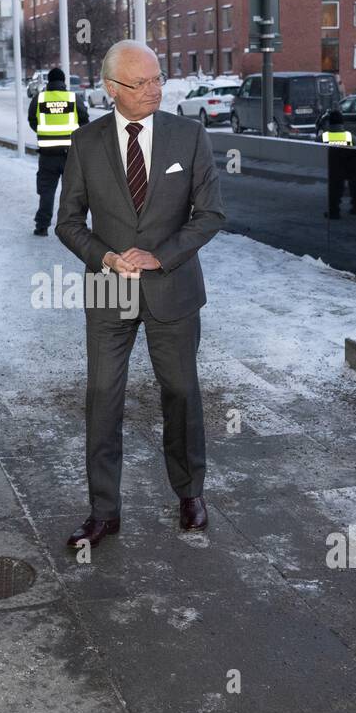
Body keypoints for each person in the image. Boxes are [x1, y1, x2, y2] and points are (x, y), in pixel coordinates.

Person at [56, 40, 225, 547]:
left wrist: (162, 254)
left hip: (172, 289)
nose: (154, 89)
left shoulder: (189, 135)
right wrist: (106, 257)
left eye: (157, 79)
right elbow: (67, 222)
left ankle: (190, 493)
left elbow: (211, 215)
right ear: (112, 89)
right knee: (103, 400)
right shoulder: (85, 143)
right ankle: (104, 511)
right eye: (141, 82)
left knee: (181, 395)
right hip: (110, 290)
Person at [27, 67, 89, 236]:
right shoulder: (72, 97)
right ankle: (72, 228)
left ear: (49, 82)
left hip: (47, 155)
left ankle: (42, 226)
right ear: (63, 81)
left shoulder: (39, 98)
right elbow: (84, 120)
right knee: (72, 193)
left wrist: (44, 133)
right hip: (70, 155)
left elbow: (32, 120)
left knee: (46, 191)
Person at [320, 108, 356, 219]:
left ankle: (334, 211)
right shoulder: (351, 137)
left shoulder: (323, 138)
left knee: (334, 186)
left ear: (330, 123)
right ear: (342, 122)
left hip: (335, 169)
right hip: (352, 166)